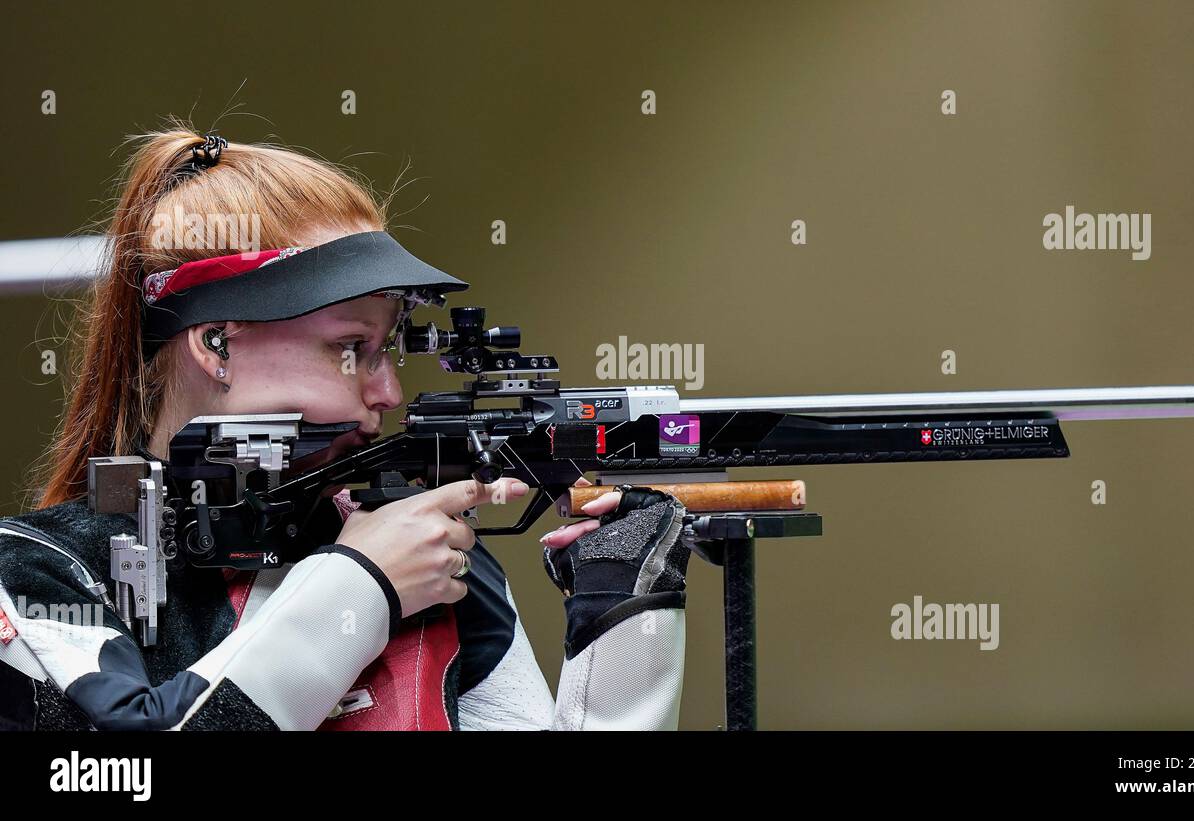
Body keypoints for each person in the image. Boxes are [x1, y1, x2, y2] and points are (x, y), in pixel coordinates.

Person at [0, 129, 692, 731]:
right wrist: (362, 585)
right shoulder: (38, 569)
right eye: (350, 346)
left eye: (387, 348)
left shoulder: (436, 560)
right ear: (216, 344)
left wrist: (622, 618)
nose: (389, 389)